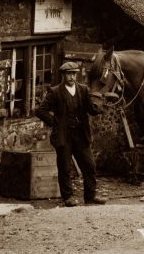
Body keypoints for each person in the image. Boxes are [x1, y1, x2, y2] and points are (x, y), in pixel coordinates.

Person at [36, 61, 106, 207]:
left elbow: (90, 109)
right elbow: (41, 111)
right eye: (69, 74)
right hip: (63, 136)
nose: (72, 77)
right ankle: (67, 197)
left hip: (81, 135)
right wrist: (55, 122)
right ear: (64, 75)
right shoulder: (55, 92)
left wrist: (100, 107)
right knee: (65, 167)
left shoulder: (83, 90)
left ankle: (90, 196)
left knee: (89, 165)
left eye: (74, 74)